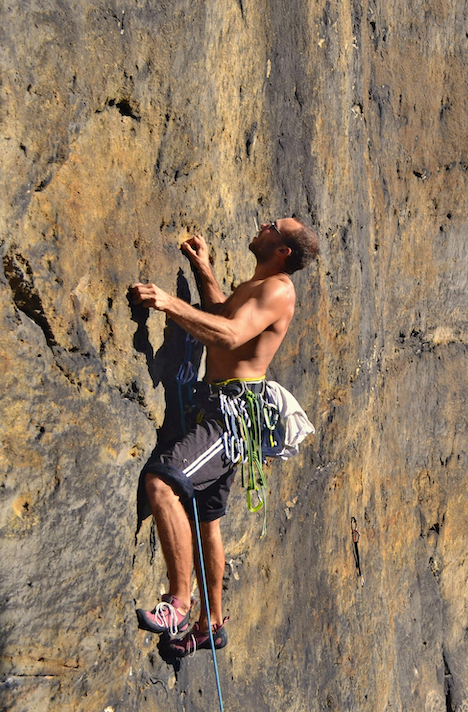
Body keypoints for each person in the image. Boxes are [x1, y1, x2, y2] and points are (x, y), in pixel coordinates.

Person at [129, 217, 319, 658]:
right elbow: (225, 317)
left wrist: (167, 303)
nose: (264, 224)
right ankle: (210, 625)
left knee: (162, 481)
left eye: (274, 226)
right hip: (229, 410)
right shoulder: (261, 282)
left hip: (227, 417)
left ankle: (179, 602)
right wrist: (204, 270)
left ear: (282, 250)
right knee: (206, 521)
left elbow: (230, 335)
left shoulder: (278, 290)